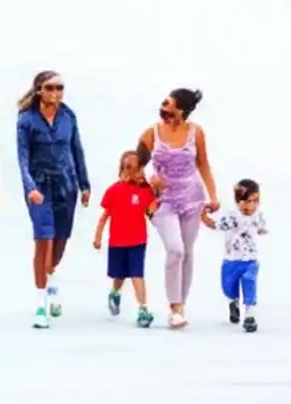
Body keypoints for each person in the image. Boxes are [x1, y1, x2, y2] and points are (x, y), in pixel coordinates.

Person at [135, 88, 220, 330]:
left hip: (192, 198)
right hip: (163, 202)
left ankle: (179, 308)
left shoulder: (196, 132)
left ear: (182, 111)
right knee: (175, 249)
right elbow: (135, 165)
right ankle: (174, 304)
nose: (165, 113)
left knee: (188, 251)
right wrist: (151, 177)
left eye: (170, 108)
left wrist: (213, 196)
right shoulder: (152, 133)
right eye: (164, 107)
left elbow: (203, 165)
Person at [17, 70, 90, 329]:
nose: (56, 93)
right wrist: (29, 187)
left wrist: (84, 184)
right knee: (43, 239)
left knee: (59, 243)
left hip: (66, 186)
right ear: (39, 89)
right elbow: (22, 158)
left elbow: (76, 149)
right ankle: (40, 302)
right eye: (50, 88)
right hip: (40, 186)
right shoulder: (26, 120)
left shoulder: (68, 116)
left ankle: (51, 278)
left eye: (60, 88)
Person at [93, 151, 157, 328]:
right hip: (117, 242)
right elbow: (105, 215)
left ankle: (143, 309)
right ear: (122, 170)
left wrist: (155, 199)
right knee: (119, 275)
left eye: (137, 169)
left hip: (137, 241)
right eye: (129, 169)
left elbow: (152, 206)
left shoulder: (145, 191)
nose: (135, 173)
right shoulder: (114, 190)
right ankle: (115, 292)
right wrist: (98, 235)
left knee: (137, 274)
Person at [201, 178, 268, 333]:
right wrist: (204, 217)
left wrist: (262, 229)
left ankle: (250, 315)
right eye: (249, 201)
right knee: (228, 287)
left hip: (250, 259)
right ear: (239, 201)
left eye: (256, 201)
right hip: (231, 260)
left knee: (249, 281)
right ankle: (233, 302)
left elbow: (262, 227)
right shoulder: (232, 216)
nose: (253, 205)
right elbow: (216, 225)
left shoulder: (258, 216)